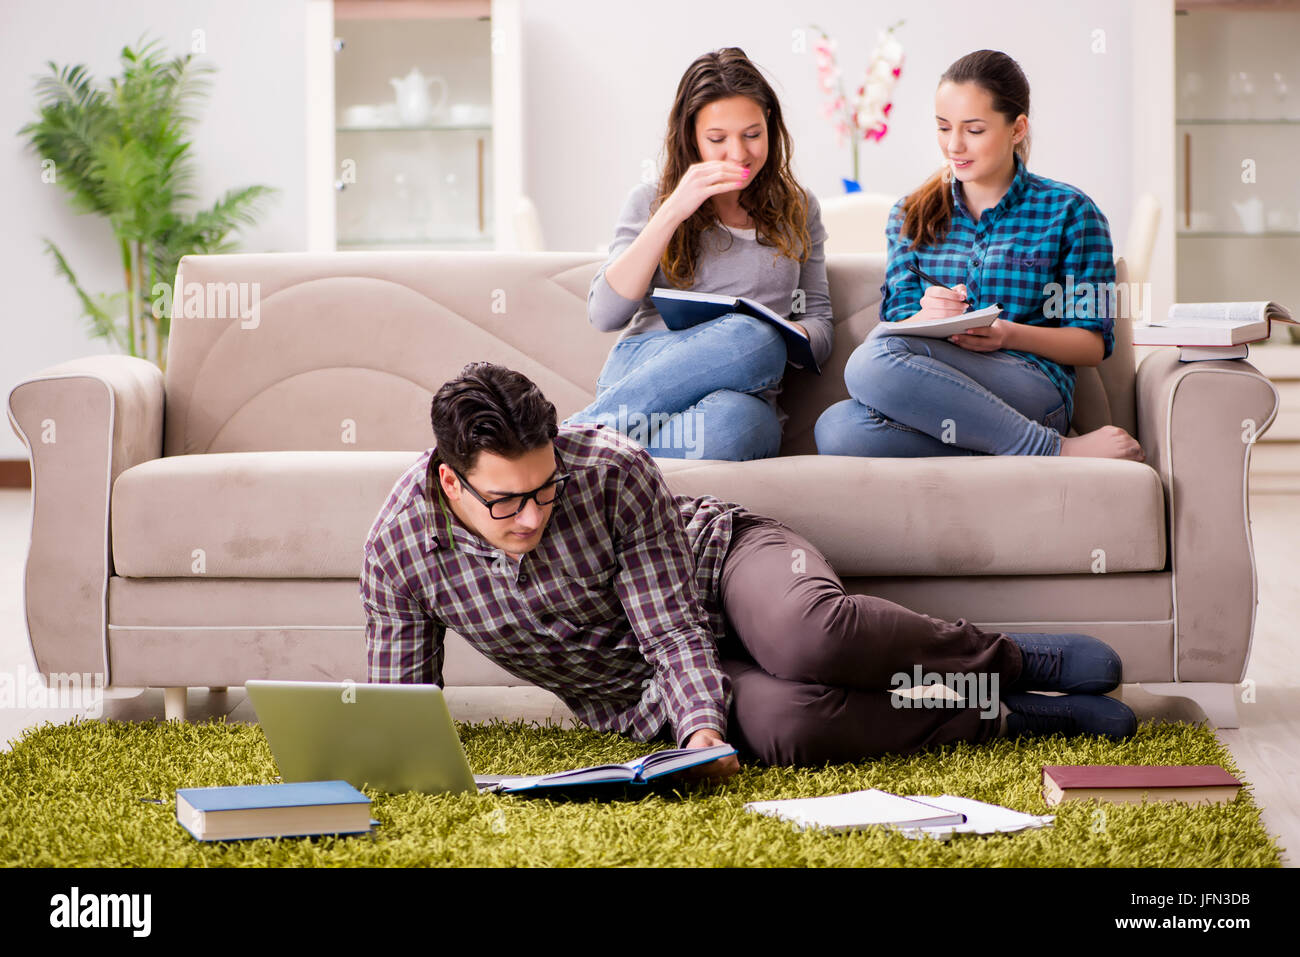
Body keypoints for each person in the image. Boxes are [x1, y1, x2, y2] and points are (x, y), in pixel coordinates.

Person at [362, 362, 1137, 780]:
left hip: (720, 564)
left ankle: (1005, 655)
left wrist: (702, 722)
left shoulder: (610, 469)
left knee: (807, 636)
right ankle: (996, 711)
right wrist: (698, 731)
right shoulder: (399, 546)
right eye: (507, 502)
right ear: (449, 481)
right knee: (789, 721)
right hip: (639, 692)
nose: (533, 515)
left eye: (546, 487)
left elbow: (669, 622)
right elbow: (398, 715)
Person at [815, 50, 1145, 461]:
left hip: (1030, 385)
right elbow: (896, 324)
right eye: (943, 127)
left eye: (973, 129)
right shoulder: (908, 214)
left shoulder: (1072, 212)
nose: (954, 145)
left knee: (870, 361)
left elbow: (1092, 344)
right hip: (939, 388)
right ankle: (996, 443)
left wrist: (1008, 333)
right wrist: (925, 315)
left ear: (1017, 128)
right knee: (835, 429)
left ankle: (1049, 447)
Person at [562, 47, 833, 462]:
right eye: (717, 139)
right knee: (749, 332)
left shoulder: (799, 207)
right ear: (691, 137)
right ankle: (577, 438)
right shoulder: (652, 200)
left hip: (743, 396)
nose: (739, 154)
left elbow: (820, 322)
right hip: (644, 374)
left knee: (741, 420)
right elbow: (605, 314)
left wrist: (791, 335)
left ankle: (590, 458)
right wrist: (673, 210)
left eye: (752, 134)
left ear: (771, 128)